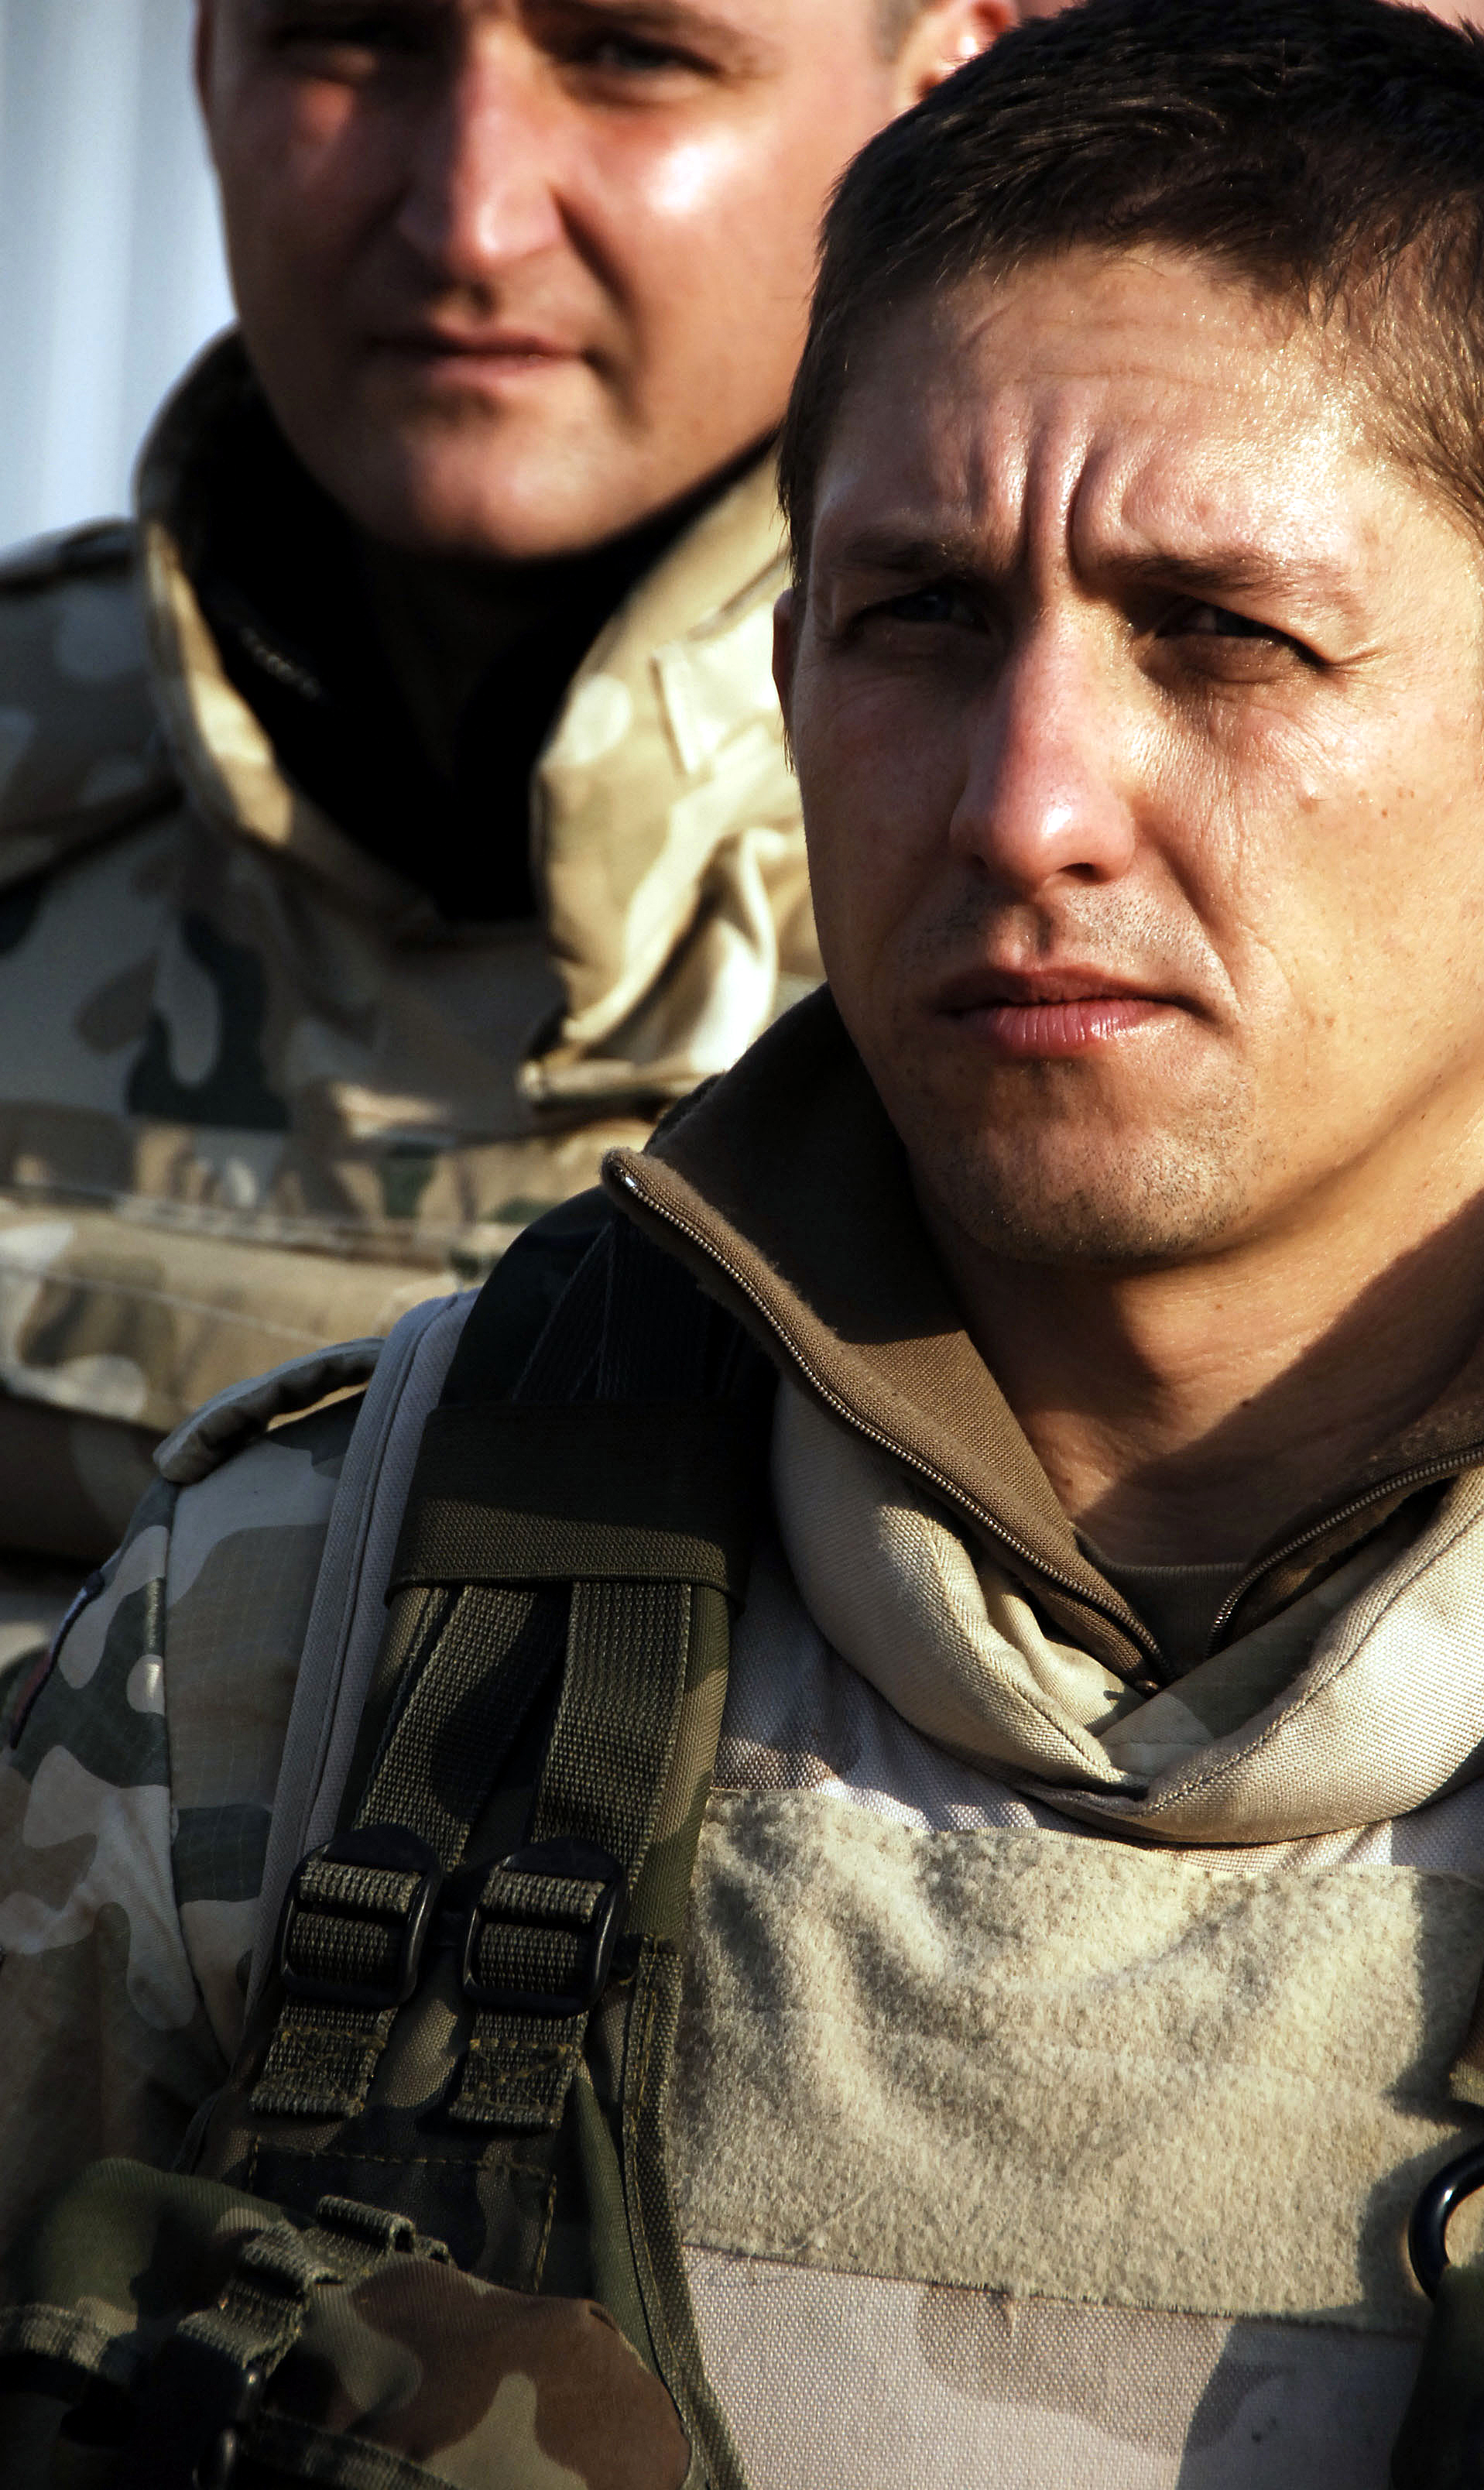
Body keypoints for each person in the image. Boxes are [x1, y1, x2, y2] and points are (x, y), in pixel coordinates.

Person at [6, 1, 1484, 2481]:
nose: (1028, 804)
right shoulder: (280, 1641)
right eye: (916, 615)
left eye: (1220, 630)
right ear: (785, 672)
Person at [0, 0, 1010, 1631]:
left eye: (630, 55)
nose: (468, 217)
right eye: (348, 40)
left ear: (941, 86)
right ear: (204, 64)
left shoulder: (1107, 895)